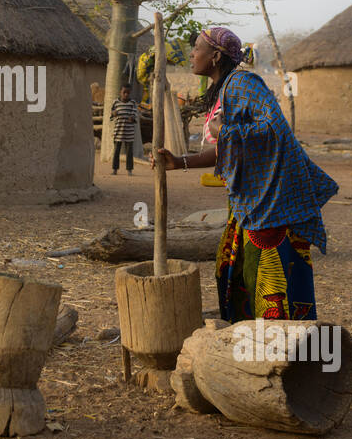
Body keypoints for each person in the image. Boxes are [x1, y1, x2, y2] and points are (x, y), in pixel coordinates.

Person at [153, 27, 338, 322]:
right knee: (232, 271)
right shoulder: (224, 90)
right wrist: (181, 162)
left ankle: (281, 358)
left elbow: (275, 127)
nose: (192, 53)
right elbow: (229, 146)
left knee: (269, 285)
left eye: (198, 48)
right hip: (248, 204)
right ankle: (247, 351)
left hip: (271, 207)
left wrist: (225, 130)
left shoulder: (243, 83)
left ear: (215, 56)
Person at [110, 83, 139, 176]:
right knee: (116, 152)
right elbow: (111, 114)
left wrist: (132, 118)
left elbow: (134, 115)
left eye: (128, 93)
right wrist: (113, 113)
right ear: (120, 92)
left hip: (129, 132)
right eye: (124, 92)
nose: (126, 94)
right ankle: (115, 169)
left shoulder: (133, 103)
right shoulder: (115, 102)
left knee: (129, 152)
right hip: (118, 131)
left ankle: (129, 170)